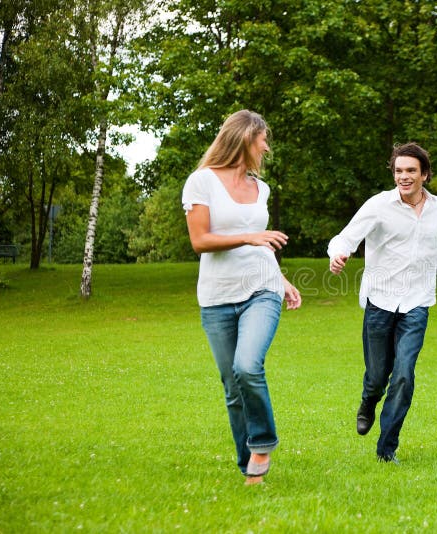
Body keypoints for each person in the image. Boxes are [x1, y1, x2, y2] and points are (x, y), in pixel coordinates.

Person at [182, 110, 302, 485]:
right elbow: (200, 241)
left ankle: (262, 443)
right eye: (262, 139)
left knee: (248, 366)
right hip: (217, 295)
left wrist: (280, 278)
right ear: (245, 138)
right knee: (232, 386)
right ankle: (248, 465)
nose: (266, 147)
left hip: (261, 289)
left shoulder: (260, 187)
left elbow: (259, 243)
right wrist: (251, 237)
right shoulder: (201, 182)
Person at [327, 142, 437, 463]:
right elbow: (346, 237)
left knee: (403, 374)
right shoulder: (378, 205)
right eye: (399, 170)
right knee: (376, 375)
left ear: (424, 174)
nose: (404, 176)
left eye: (411, 170)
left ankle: (387, 449)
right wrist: (338, 254)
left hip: (417, 303)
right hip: (380, 301)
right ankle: (368, 401)